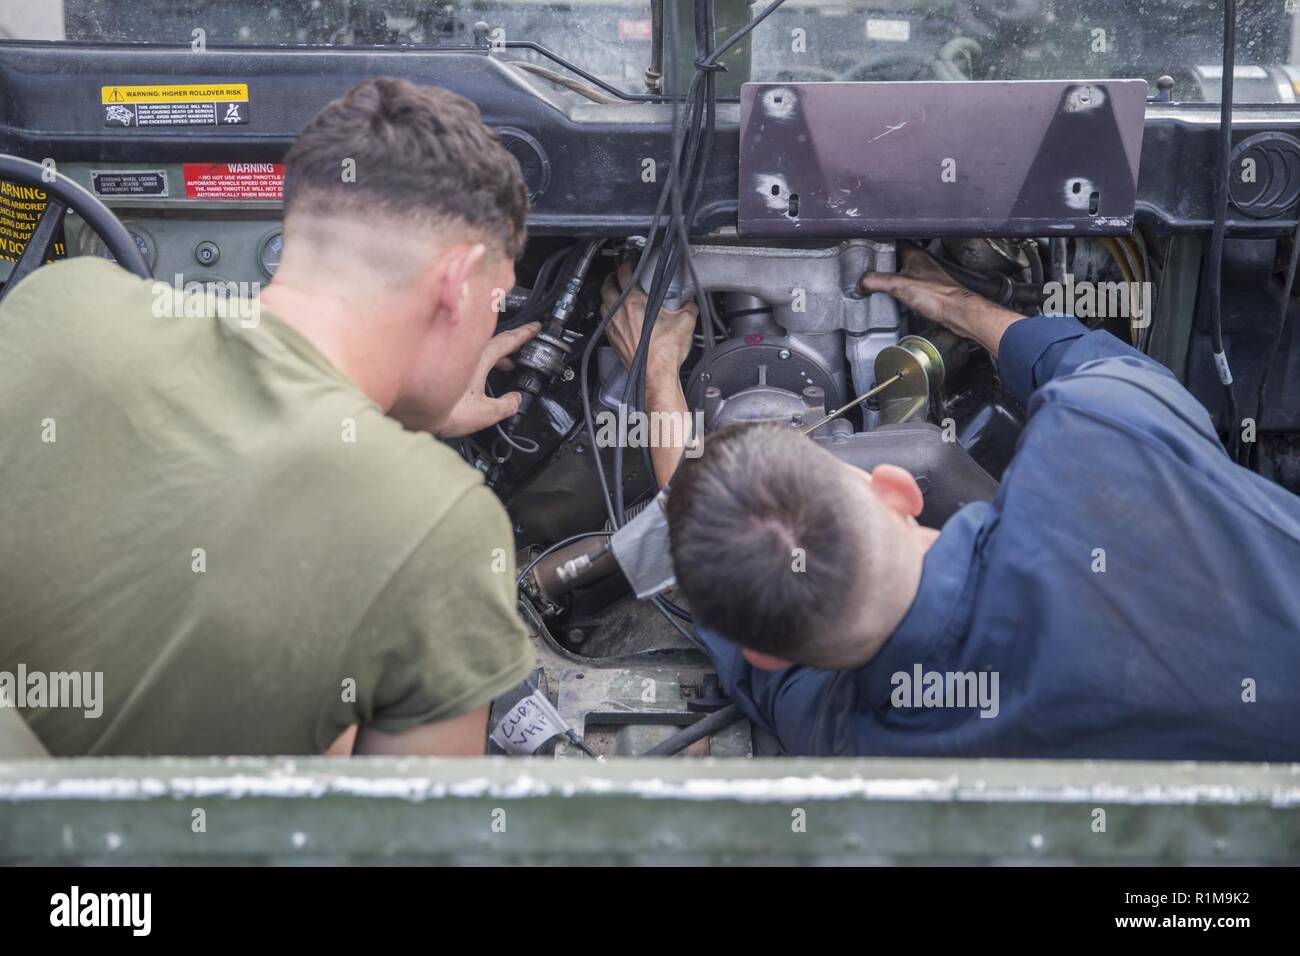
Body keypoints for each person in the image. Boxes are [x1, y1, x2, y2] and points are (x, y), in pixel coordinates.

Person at [0, 78, 541, 756]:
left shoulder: (61, 304)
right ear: (459, 284)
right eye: (498, 297)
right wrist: (406, 473)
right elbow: (413, 840)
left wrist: (388, 431)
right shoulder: (445, 531)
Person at [608, 246, 1300, 760]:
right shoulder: (1102, 438)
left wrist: (659, 376)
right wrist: (959, 307)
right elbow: (1086, 363)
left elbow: (689, 552)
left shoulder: (845, 744)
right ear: (899, 489)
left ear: (762, 654)